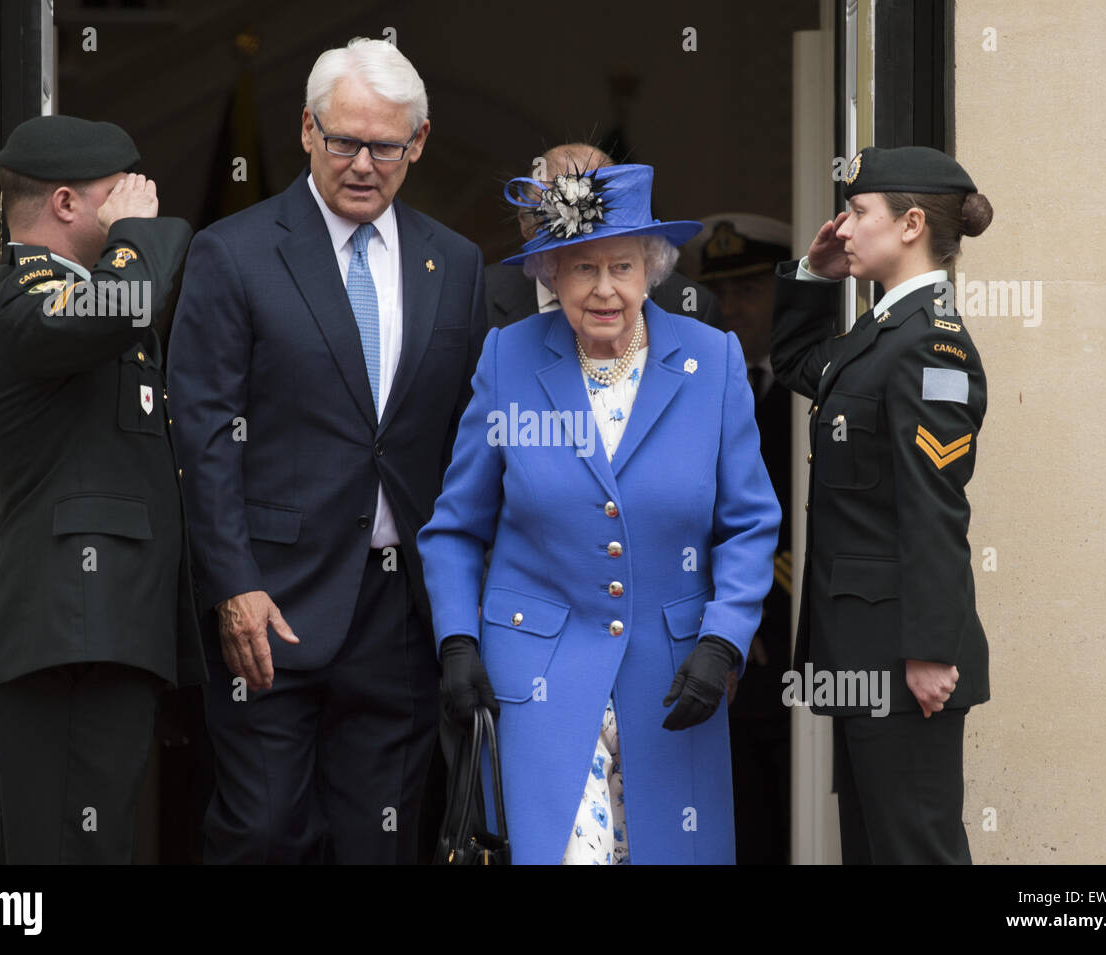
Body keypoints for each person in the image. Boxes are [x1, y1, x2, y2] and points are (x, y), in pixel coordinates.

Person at [167, 37, 487, 864]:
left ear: (418, 142)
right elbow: (202, 433)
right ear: (307, 131)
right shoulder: (231, 253)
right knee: (264, 833)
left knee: (377, 839)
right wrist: (233, 585)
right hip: (270, 608)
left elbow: (469, 441)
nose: (362, 163)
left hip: (400, 616)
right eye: (343, 140)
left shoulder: (454, 263)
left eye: (385, 145)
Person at [418, 162, 781, 864]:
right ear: (551, 274)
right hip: (537, 680)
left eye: (622, 265)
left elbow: (749, 522)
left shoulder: (714, 361)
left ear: (653, 268)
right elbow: (456, 527)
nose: (605, 288)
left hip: (677, 683)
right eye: (583, 268)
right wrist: (458, 640)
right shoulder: (509, 359)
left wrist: (724, 639)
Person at [0, 114, 205, 864]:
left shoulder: (80, 305)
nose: (142, 199)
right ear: (67, 205)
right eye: (119, 190)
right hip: (73, 629)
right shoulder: (22, 299)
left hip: (104, 631)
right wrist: (137, 234)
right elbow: (123, 301)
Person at [769, 145, 993, 864]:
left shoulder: (933, 345)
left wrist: (930, 650)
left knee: (917, 851)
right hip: (864, 654)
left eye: (860, 212)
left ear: (912, 223)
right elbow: (801, 365)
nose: (843, 227)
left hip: (904, 661)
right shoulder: (880, 335)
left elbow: (935, 506)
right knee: (872, 851)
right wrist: (811, 277)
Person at [690, 213, 794, 864]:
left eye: (749, 290)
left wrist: (761, 613)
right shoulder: (698, 386)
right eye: (720, 293)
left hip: (784, 639)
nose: (730, 308)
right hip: (716, 642)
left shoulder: (812, 385)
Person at [486, 144, 720, 330]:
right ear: (525, 225)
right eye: (558, 223)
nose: (587, 236)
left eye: (606, 219)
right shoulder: (479, 298)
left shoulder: (688, 305)